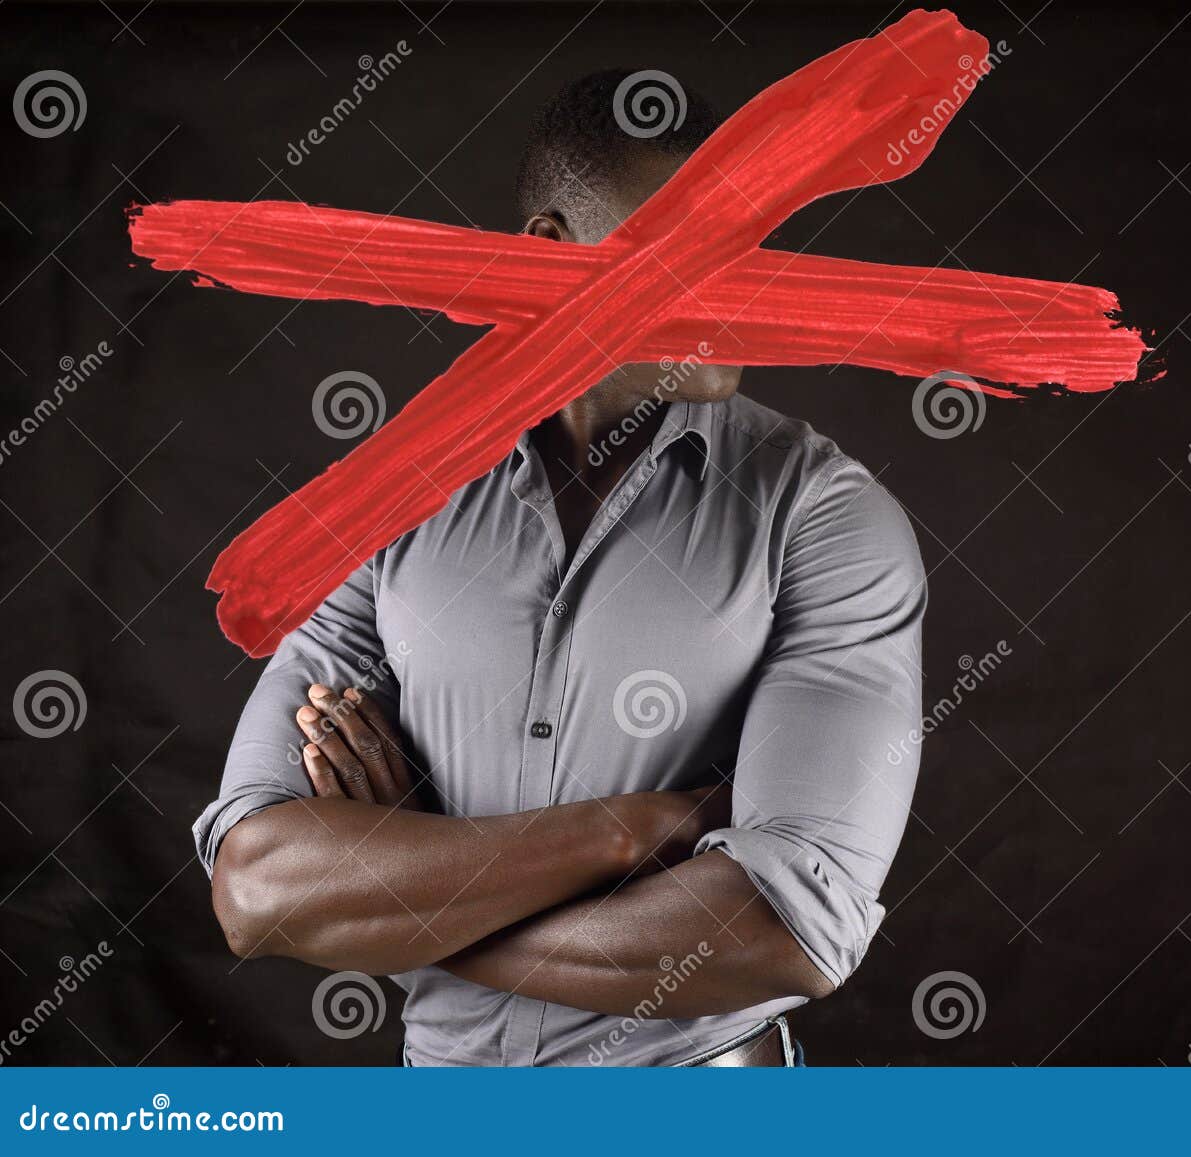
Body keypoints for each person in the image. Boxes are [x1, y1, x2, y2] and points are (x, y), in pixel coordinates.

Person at [193, 70, 927, 1067]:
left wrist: (413, 905)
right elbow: (258, 889)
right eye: (689, 247)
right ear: (549, 252)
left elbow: (788, 928)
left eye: (747, 244)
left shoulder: (826, 518)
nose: (741, 290)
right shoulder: (389, 500)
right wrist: (625, 831)